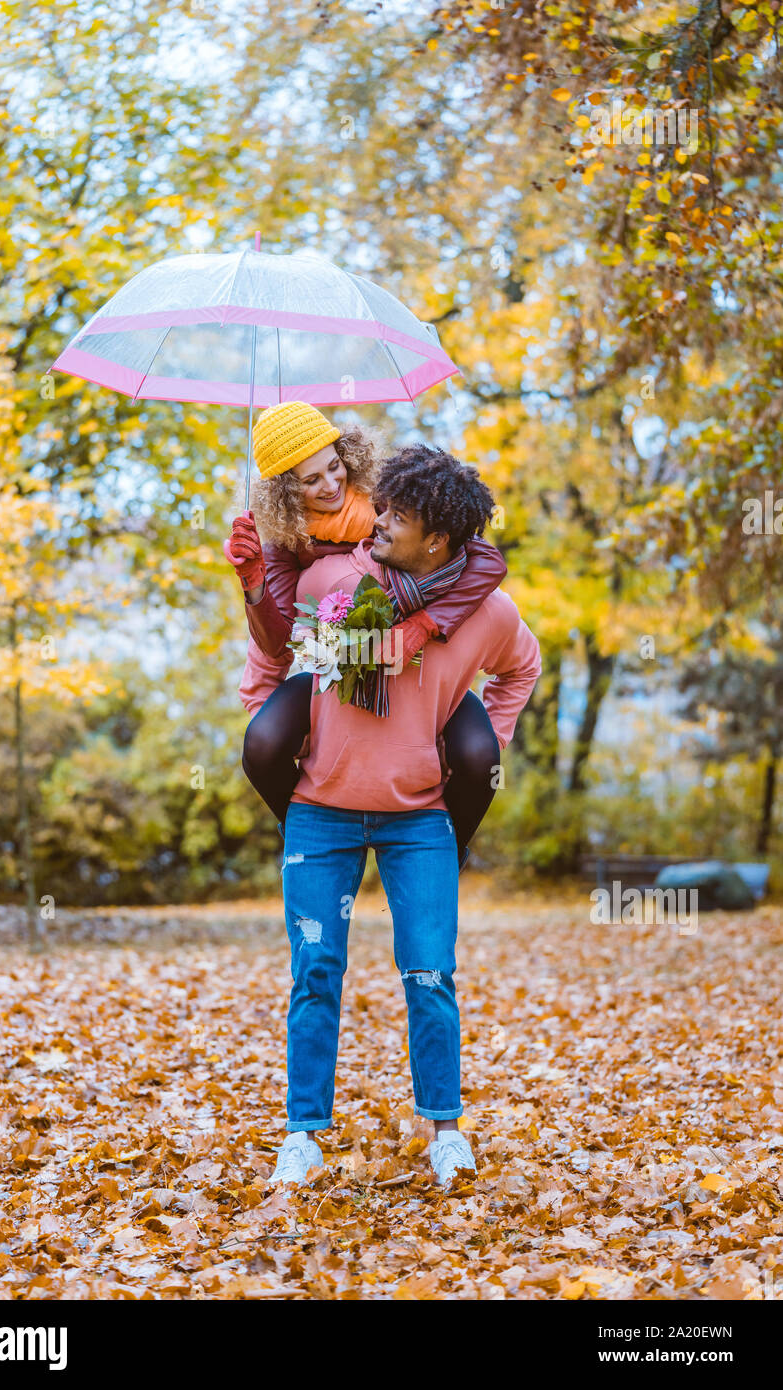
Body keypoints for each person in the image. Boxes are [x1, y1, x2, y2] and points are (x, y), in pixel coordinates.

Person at [240, 445, 542, 1187]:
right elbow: (269, 664)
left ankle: (443, 1129)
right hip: (319, 812)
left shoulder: (485, 612)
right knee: (314, 972)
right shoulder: (332, 577)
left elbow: (521, 669)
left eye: (396, 515)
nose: (375, 517)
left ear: (436, 540)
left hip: (418, 822)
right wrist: (276, 721)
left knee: (430, 975)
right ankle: (303, 1134)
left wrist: (484, 743)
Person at [223, 401, 508, 865]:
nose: (331, 485)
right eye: (311, 480)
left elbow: (489, 560)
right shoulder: (280, 540)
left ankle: (446, 852)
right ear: (283, 491)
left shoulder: (385, 500)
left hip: (423, 669)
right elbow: (277, 642)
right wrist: (252, 581)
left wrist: (424, 624)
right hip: (338, 665)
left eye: (334, 467)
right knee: (262, 744)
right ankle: (304, 830)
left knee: (479, 757)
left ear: (346, 455)